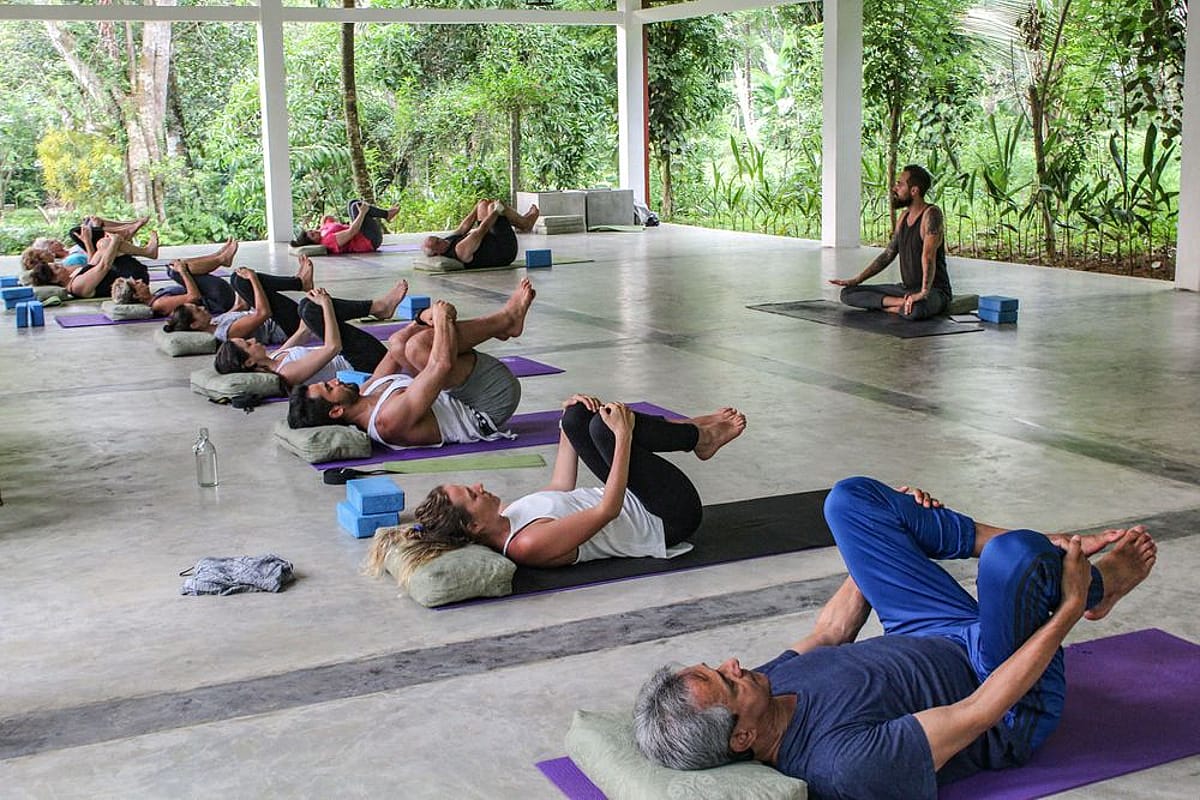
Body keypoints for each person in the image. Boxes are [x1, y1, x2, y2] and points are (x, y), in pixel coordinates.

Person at [633, 476, 1157, 799]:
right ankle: (1097, 588)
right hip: (1001, 687)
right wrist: (1066, 609)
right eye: (725, 681)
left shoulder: (763, 689)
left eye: (715, 666)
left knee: (848, 503)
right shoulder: (841, 764)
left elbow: (833, 629)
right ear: (742, 738)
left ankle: (1055, 550)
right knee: (1011, 559)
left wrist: (886, 534)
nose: (733, 664)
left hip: (925, 627)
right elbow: (979, 712)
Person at [366, 394, 747, 580]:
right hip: (665, 517)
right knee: (607, 429)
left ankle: (694, 433)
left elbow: (561, 487)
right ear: (473, 527)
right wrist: (625, 438)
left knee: (582, 416)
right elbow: (606, 510)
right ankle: (698, 437)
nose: (479, 486)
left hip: (637, 497)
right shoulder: (527, 544)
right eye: (471, 494)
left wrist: (567, 425)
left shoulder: (506, 518)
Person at [288, 280, 538, 448]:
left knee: (401, 344)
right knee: (418, 347)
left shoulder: (365, 392)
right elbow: (440, 366)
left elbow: (396, 346)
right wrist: (442, 320)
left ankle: (505, 325)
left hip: (460, 390)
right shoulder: (386, 421)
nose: (335, 380)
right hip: (488, 402)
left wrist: (421, 318)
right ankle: (506, 320)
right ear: (336, 411)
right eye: (330, 388)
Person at [212, 278, 410, 389]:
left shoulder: (275, 357)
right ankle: (379, 307)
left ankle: (378, 307)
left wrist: (311, 308)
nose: (253, 340)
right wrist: (325, 305)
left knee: (307, 307)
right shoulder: (286, 373)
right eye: (248, 345)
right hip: (364, 362)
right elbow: (333, 347)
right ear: (248, 362)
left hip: (352, 354)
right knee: (313, 309)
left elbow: (302, 332)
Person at [830, 165, 952, 320]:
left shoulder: (931, 214)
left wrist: (923, 293)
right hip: (906, 289)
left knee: (917, 310)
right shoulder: (903, 217)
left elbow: (928, 256)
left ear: (914, 191)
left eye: (900, 184)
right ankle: (900, 303)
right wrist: (856, 280)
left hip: (934, 291)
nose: (895, 188)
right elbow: (888, 255)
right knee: (848, 293)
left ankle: (895, 306)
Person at [162, 256, 314, 342]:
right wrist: (253, 279)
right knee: (244, 281)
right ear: (194, 325)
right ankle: (299, 283)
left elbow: (240, 306)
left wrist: (240, 287)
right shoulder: (226, 332)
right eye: (197, 310)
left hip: (277, 317)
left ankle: (299, 282)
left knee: (237, 279)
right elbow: (263, 313)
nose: (202, 307)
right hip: (286, 325)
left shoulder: (214, 322)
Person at [110, 239, 240, 317]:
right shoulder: (159, 303)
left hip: (215, 294)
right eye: (137, 284)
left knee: (173, 268)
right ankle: (221, 259)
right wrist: (183, 272)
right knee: (176, 272)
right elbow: (193, 297)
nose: (140, 281)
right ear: (137, 296)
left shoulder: (155, 297)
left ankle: (218, 256)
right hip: (219, 299)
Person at [421, 199, 540, 268]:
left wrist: (477, 206)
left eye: (437, 238)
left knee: (484, 204)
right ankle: (525, 224)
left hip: (492, 238)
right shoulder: (459, 250)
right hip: (504, 251)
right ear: (437, 253)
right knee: (495, 205)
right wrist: (496, 211)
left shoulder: (448, 241)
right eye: (438, 242)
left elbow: (463, 227)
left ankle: (523, 223)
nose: (441, 240)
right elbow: (482, 229)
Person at [291, 199, 400, 254]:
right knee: (356, 207)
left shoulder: (322, 231)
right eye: (313, 235)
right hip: (370, 240)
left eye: (312, 230)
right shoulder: (328, 241)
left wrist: (323, 222)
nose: (315, 231)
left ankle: (387, 214)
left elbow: (329, 220)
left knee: (352, 202)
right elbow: (353, 231)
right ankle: (387, 214)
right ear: (315, 243)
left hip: (363, 233)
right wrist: (362, 213)